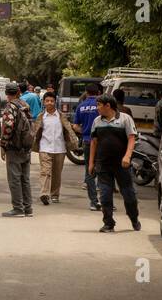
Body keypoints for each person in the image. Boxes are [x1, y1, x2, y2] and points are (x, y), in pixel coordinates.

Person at [89, 94, 140, 232]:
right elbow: (94, 142)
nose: (97, 108)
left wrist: (127, 156)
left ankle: (134, 218)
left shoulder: (125, 119)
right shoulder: (97, 121)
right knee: (105, 195)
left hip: (122, 164)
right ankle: (108, 223)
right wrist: (91, 163)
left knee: (128, 194)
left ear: (108, 106)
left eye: (99, 105)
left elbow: (131, 138)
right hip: (103, 164)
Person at [33, 92, 78, 205]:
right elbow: (35, 131)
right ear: (43, 102)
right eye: (47, 101)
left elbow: (68, 130)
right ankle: (44, 193)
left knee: (57, 173)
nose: (49, 103)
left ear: (55, 102)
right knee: (45, 172)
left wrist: (73, 142)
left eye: (51, 101)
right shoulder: (41, 117)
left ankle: (54, 195)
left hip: (60, 148)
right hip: (44, 148)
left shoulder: (61, 116)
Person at [0, 82, 35, 217]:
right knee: (25, 179)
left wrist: (3, 144)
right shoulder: (25, 106)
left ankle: (18, 208)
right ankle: (28, 208)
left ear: (7, 94)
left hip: (14, 148)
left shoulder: (10, 107)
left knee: (14, 179)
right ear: (19, 92)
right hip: (26, 146)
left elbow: (8, 126)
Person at [73, 83, 102, 211]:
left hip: (87, 141)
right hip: (102, 142)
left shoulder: (81, 106)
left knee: (89, 171)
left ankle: (94, 202)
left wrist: (84, 131)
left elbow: (75, 126)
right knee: (103, 170)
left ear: (86, 92)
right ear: (98, 92)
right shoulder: (102, 105)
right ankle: (105, 200)